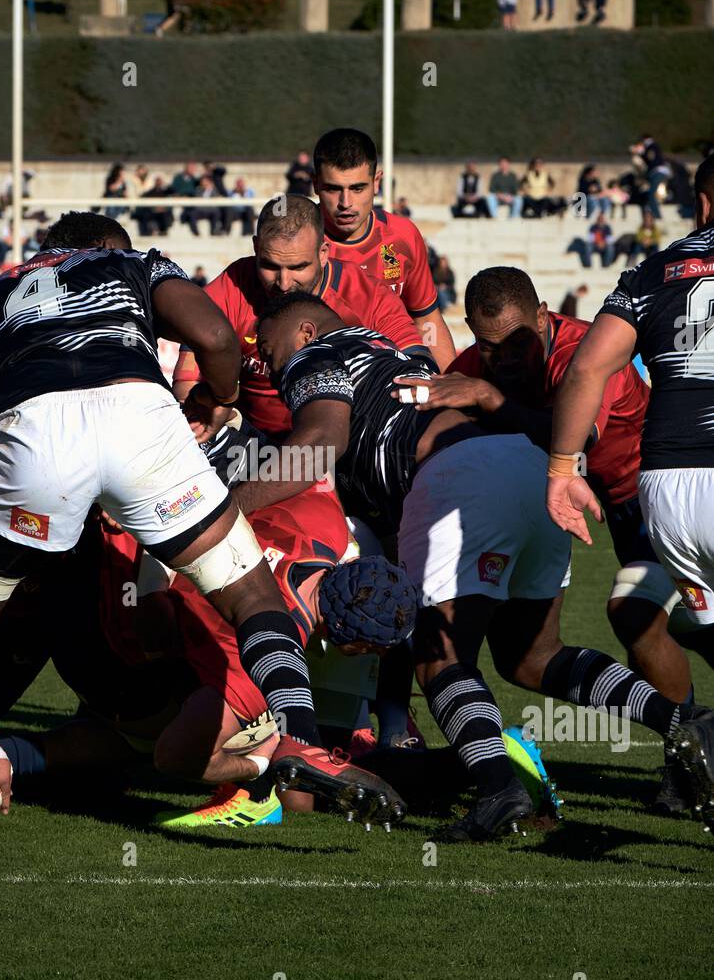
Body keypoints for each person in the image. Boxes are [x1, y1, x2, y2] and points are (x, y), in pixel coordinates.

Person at [0, 210, 401, 845]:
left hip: (34, 429)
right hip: (139, 417)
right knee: (251, 592)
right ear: (106, 249)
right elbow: (213, 334)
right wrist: (221, 395)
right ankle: (299, 736)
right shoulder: (129, 263)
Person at [247, 292, 706, 841]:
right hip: (528, 467)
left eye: (269, 353)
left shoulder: (314, 356)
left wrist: (222, 510)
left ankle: (498, 793)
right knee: (532, 656)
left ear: (301, 333)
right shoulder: (391, 351)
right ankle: (686, 721)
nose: (269, 370)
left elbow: (321, 442)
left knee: (441, 660)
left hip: (459, 475)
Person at [431, 267, 693, 772]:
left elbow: (570, 440)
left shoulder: (588, 353)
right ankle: (687, 742)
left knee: (637, 616)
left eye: (516, 345)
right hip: (589, 504)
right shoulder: (477, 363)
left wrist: (488, 399)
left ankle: (688, 748)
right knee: (527, 657)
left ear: (543, 317)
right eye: (490, 348)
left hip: (652, 497)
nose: (503, 362)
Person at [546, 154, 714, 832]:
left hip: (666, 491)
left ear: (700, 203)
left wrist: (561, 469)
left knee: (647, 608)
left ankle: (694, 749)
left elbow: (589, 363)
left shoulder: (655, 271)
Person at [172, 194, 426, 438]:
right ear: (255, 248)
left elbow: (421, 368)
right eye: (270, 266)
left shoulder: (365, 294)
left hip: (348, 447)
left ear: (323, 253)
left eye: (298, 267)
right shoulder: (235, 283)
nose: (283, 283)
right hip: (255, 444)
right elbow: (187, 384)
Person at [311, 128, 455, 367]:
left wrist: (447, 383)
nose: (346, 203)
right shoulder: (299, 246)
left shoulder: (402, 236)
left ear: (376, 182)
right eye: (333, 189)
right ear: (315, 184)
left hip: (392, 381)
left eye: (357, 188)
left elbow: (426, 320)